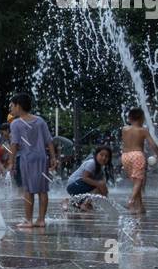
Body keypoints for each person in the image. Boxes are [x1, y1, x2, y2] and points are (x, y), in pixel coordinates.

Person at [6, 93, 58, 229]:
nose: (10, 108)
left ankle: (28, 220)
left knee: (28, 190)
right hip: (42, 158)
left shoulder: (16, 123)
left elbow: (14, 144)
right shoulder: (40, 121)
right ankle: (41, 220)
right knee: (43, 190)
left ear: (18, 106)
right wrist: (53, 158)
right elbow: (49, 141)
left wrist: (11, 162)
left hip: (27, 159)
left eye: (12, 105)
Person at [120, 107, 158, 213]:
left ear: (129, 118)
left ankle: (140, 207)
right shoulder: (143, 130)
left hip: (125, 156)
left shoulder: (124, 129)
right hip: (137, 155)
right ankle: (131, 200)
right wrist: (157, 154)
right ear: (142, 118)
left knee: (135, 183)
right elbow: (153, 144)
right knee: (139, 181)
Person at [66, 146, 112, 212]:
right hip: (73, 185)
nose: (104, 158)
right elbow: (85, 178)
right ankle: (86, 204)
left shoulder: (101, 169)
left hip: (78, 186)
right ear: (96, 155)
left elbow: (104, 189)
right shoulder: (92, 163)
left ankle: (72, 202)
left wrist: (105, 195)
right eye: (101, 155)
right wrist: (99, 185)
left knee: (100, 187)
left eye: (106, 156)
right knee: (100, 185)